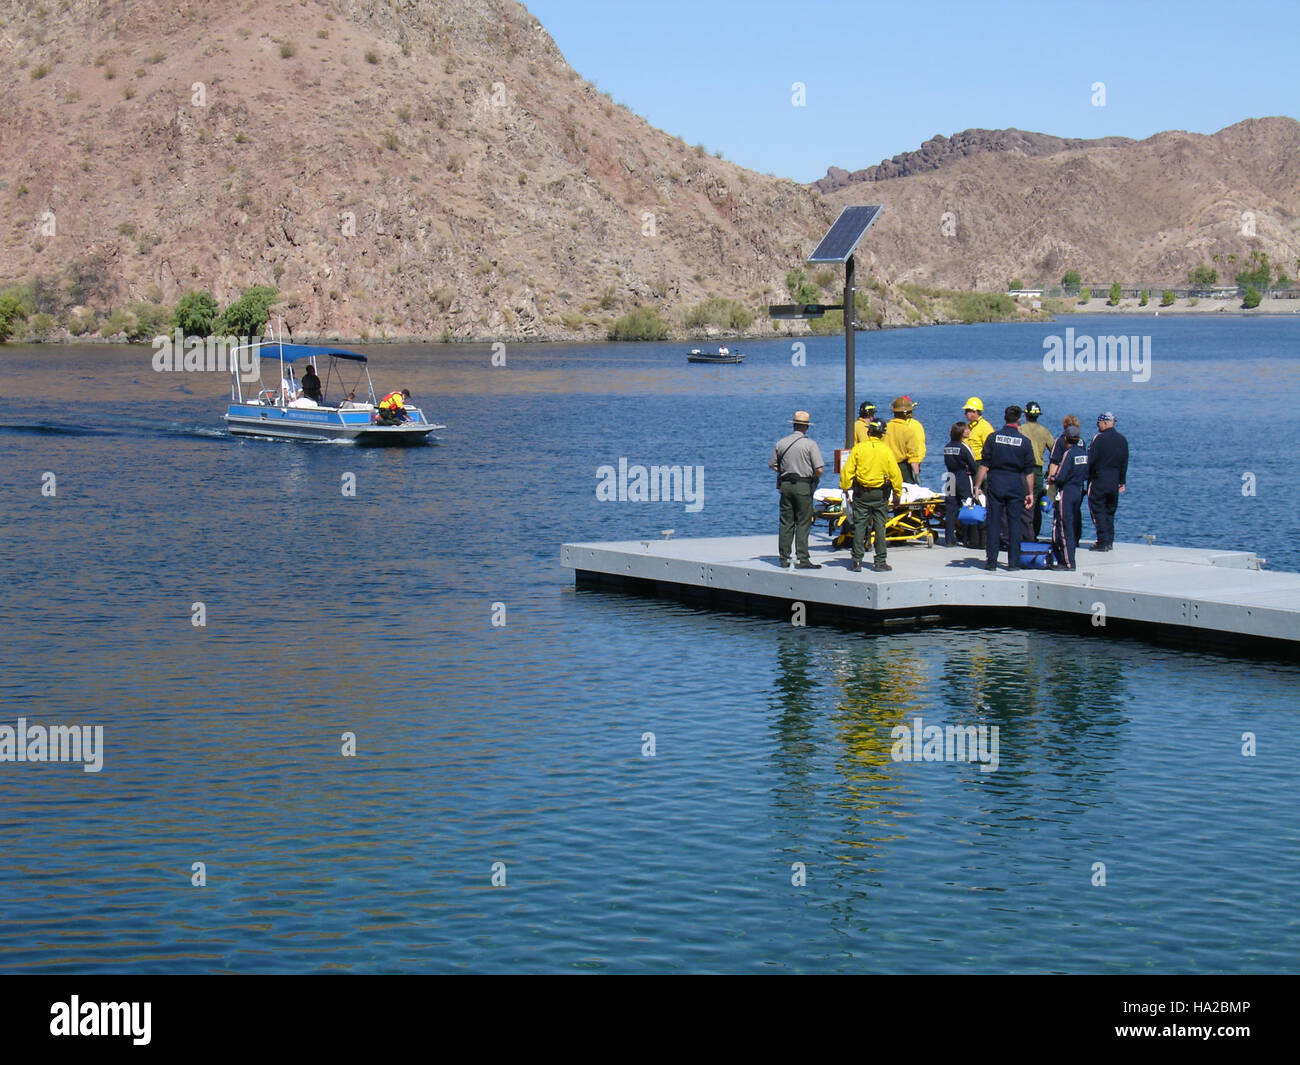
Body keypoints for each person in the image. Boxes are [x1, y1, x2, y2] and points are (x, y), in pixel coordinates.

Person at [973, 405, 1034, 571]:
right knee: (1015, 523)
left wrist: (977, 486)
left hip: (996, 482)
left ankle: (991, 561)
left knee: (994, 522)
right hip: (1016, 483)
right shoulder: (1025, 442)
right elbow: (1029, 472)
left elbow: (984, 466)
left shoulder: (993, 438)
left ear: (1005, 418)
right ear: (1019, 419)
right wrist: (1030, 492)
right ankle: (1013, 563)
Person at [840, 418, 902, 572]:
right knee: (880, 526)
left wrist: (846, 488)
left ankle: (857, 561)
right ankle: (880, 561)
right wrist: (897, 494)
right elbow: (895, 474)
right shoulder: (886, 451)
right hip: (880, 494)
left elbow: (848, 471)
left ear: (868, 432)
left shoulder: (859, 448)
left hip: (862, 493)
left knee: (860, 524)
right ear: (882, 435)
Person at [769, 410, 825, 569]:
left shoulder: (781, 443)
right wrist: (813, 478)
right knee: (803, 522)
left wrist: (783, 471)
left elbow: (772, 464)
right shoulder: (810, 444)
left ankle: (784, 558)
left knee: (786, 522)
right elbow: (819, 469)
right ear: (806, 427)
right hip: (803, 485)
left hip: (785, 485)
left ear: (793, 425)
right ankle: (802, 558)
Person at [1087, 411, 1129, 551]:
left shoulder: (1099, 439)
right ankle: (1109, 540)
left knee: (1097, 509)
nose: (1098, 426)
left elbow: (1091, 460)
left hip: (1099, 478)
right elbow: (1124, 462)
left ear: (1104, 423)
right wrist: (1121, 481)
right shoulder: (1122, 439)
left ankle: (1102, 541)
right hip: (1114, 480)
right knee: (1110, 511)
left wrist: (1085, 477)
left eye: (1098, 423)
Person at [1048, 424, 1086, 570]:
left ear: (1065, 438)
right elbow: (1087, 472)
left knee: (1064, 526)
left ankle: (1067, 562)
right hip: (1078, 490)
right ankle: (1069, 559)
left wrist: (1052, 479)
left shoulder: (1068, 454)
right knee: (1071, 524)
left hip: (1067, 492)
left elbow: (1061, 476)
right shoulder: (1083, 454)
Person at [1019, 401, 1055, 541]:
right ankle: (1033, 535)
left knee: (1022, 502)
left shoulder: (1020, 429)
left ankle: (1022, 534)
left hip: (1022, 471)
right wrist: (1050, 470)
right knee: (1035, 503)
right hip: (1038, 471)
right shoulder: (1044, 431)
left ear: (1026, 415)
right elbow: (1055, 451)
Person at [942, 421, 979, 548]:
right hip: (963, 477)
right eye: (966, 430)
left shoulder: (947, 447)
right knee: (968, 506)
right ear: (961, 433)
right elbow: (973, 465)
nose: (968, 431)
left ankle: (949, 538)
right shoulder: (964, 447)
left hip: (950, 477)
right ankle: (967, 537)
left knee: (951, 509)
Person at [883, 395, 925, 484]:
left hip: (886, 467)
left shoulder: (885, 428)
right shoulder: (908, 430)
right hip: (904, 469)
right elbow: (913, 456)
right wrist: (916, 476)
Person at [963, 397, 995, 461]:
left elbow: (991, 449)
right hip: (968, 463)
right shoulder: (969, 427)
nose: (965, 413)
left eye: (967, 411)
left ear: (975, 411)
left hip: (979, 463)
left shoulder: (985, 427)